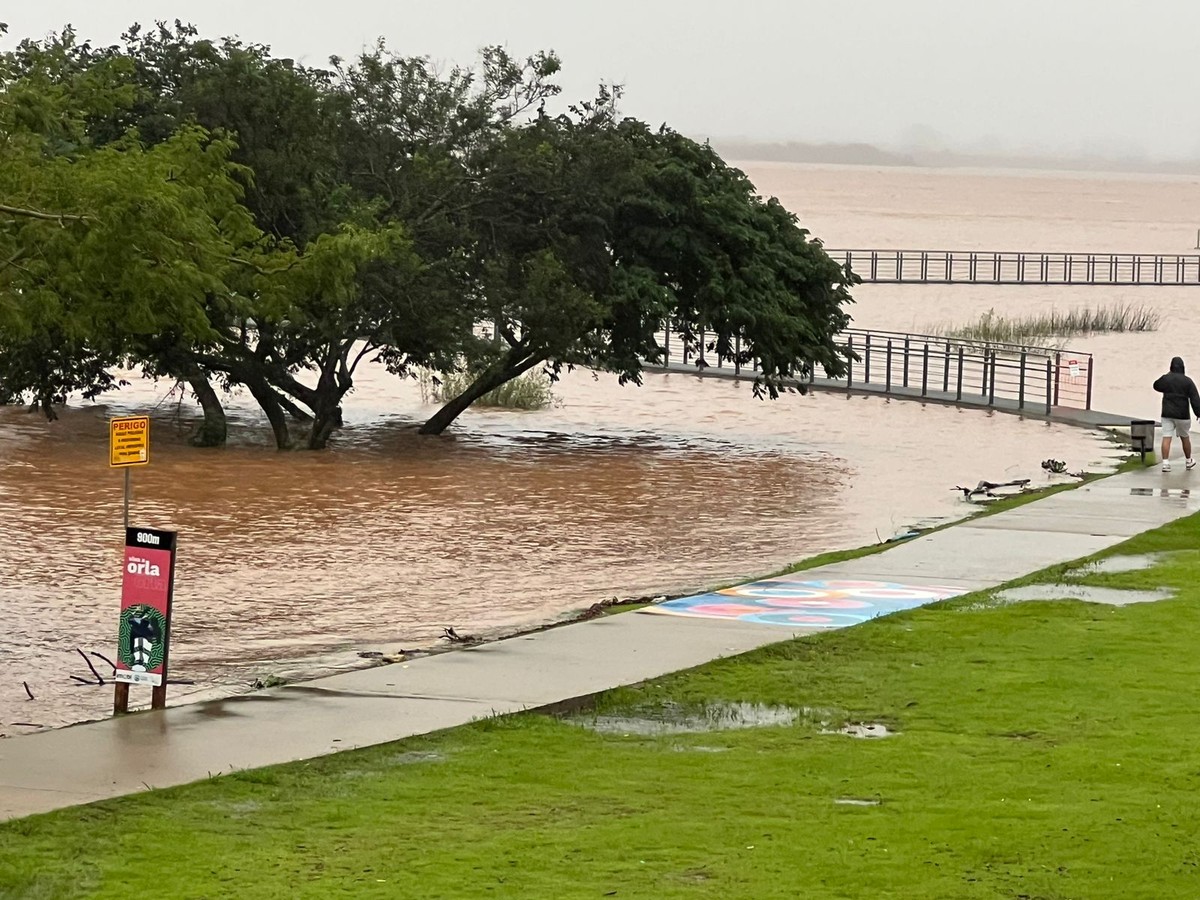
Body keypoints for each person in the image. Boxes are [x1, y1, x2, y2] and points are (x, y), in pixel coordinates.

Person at [1152, 356, 1200, 472]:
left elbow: (1156, 385)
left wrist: (1168, 374)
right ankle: (1188, 461)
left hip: (1167, 413)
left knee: (1166, 437)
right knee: (1185, 437)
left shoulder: (1166, 379)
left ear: (1171, 367)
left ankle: (1165, 463)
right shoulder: (1188, 381)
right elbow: (1195, 398)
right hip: (1182, 414)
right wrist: (1198, 412)